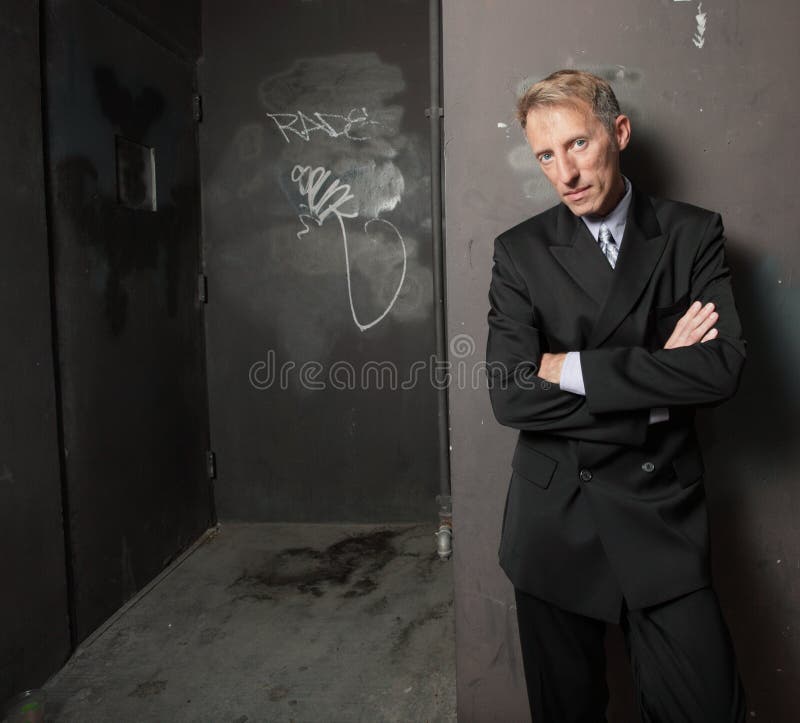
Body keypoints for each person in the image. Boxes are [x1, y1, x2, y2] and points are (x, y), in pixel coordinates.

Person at [486, 69, 748, 722]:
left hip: (660, 515)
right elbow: (511, 396)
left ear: (619, 132)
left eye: (577, 144)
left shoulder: (692, 234)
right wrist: (660, 376)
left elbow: (719, 370)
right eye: (545, 155)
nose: (563, 172)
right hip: (556, 526)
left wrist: (569, 366)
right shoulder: (519, 253)